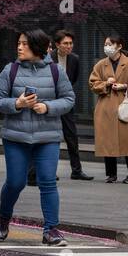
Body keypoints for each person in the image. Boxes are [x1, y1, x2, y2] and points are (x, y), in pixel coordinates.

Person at [0, 28, 75, 246]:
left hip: (47, 137)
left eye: (24, 44)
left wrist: (47, 107)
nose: (19, 47)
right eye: (18, 43)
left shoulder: (57, 71)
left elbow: (68, 99)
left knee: (47, 181)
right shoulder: (9, 70)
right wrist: (17, 104)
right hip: (16, 137)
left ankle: (51, 230)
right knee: (15, 182)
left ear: (37, 47)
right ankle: (3, 219)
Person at [30, 30, 93, 184]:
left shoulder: (74, 59)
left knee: (71, 135)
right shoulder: (48, 58)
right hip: (49, 103)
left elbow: (74, 79)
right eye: (65, 43)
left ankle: (76, 170)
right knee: (50, 137)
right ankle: (49, 171)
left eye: (71, 43)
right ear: (57, 44)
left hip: (65, 103)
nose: (69, 46)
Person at [89, 34, 128, 183]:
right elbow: (93, 84)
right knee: (108, 140)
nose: (107, 47)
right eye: (105, 44)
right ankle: (111, 174)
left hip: (125, 107)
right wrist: (106, 84)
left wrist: (125, 86)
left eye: (110, 44)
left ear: (119, 46)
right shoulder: (101, 64)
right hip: (106, 108)